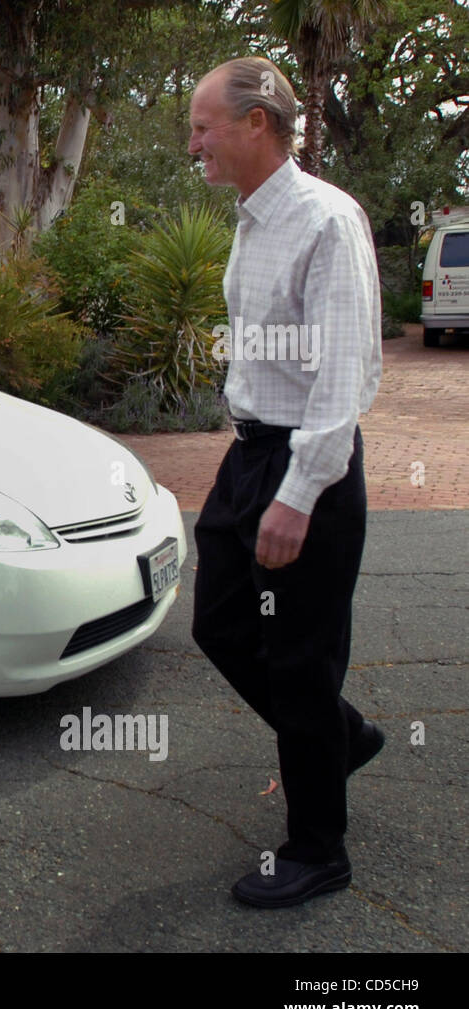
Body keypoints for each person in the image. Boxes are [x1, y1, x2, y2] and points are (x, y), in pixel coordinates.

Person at [186, 57, 384, 907]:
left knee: (300, 661)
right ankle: (339, 738)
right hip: (250, 454)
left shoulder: (325, 221)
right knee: (222, 625)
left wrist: (299, 494)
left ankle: (318, 848)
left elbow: (345, 377)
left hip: (309, 461)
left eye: (203, 126)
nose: (193, 143)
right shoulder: (251, 219)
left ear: (257, 122)